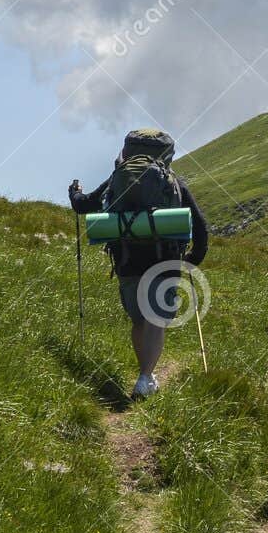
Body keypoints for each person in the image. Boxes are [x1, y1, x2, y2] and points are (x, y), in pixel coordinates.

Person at [69, 128, 209, 399]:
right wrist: (194, 257)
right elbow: (200, 224)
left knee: (139, 319)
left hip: (126, 258)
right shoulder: (173, 181)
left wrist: (74, 193)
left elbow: (84, 206)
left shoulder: (116, 179)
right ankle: (145, 378)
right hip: (164, 259)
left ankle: (146, 375)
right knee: (156, 318)